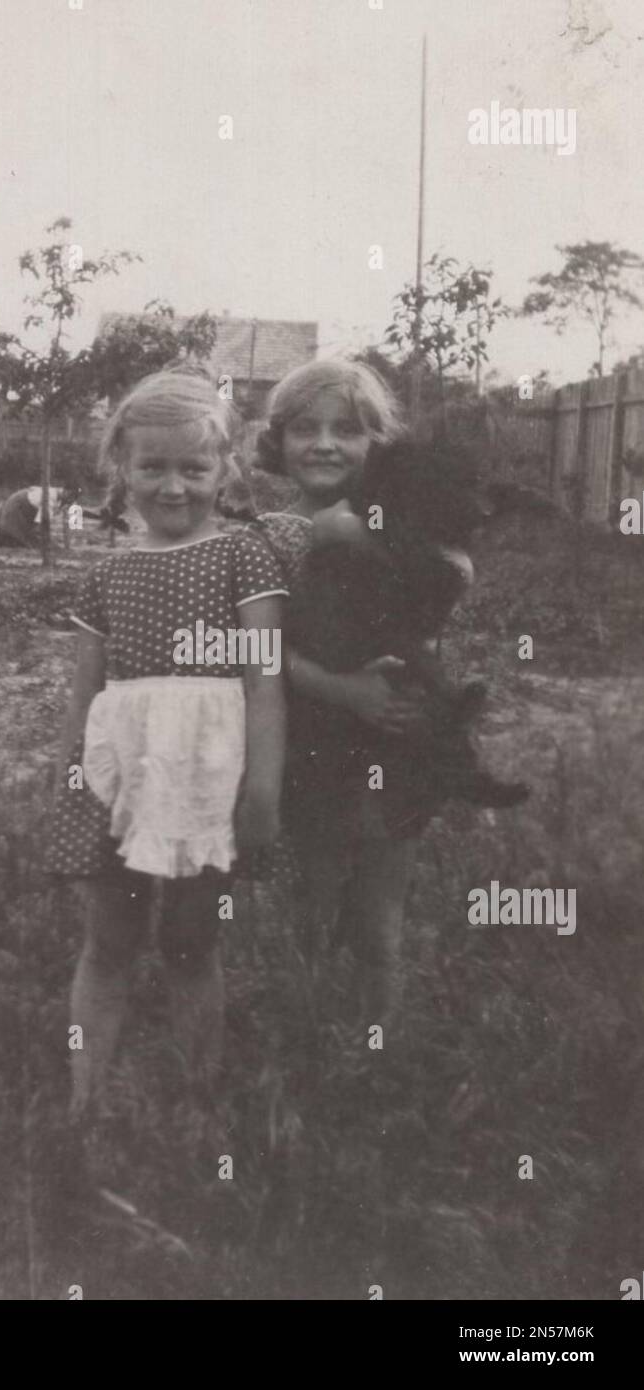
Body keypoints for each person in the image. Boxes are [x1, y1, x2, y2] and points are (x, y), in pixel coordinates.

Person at [44, 370, 287, 1116]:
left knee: (191, 941)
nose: (173, 486)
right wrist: (71, 783)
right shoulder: (106, 573)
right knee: (109, 940)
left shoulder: (244, 556)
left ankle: (198, 1098)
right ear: (122, 469)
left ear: (226, 471)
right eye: (152, 467)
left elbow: (265, 681)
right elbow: (85, 695)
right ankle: (84, 1101)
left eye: (194, 468)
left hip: (205, 780)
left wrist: (263, 788)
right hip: (123, 781)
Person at [251, 359, 503, 1029]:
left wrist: (369, 540)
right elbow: (255, 651)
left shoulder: (396, 525)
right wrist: (341, 688)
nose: (326, 444)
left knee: (380, 916)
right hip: (310, 740)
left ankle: (374, 1045)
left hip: (396, 734)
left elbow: (451, 577)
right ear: (279, 440)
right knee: (315, 894)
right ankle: (305, 1035)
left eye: (349, 430)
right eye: (307, 428)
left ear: (379, 443)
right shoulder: (265, 537)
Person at [0, 484, 78, 548]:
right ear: (65, 491)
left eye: (74, 497)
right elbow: (39, 527)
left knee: (11, 540)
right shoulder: (49, 499)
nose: (71, 499)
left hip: (22, 506)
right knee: (29, 543)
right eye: (71, 496)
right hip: (15, 508)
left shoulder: (59, 495)